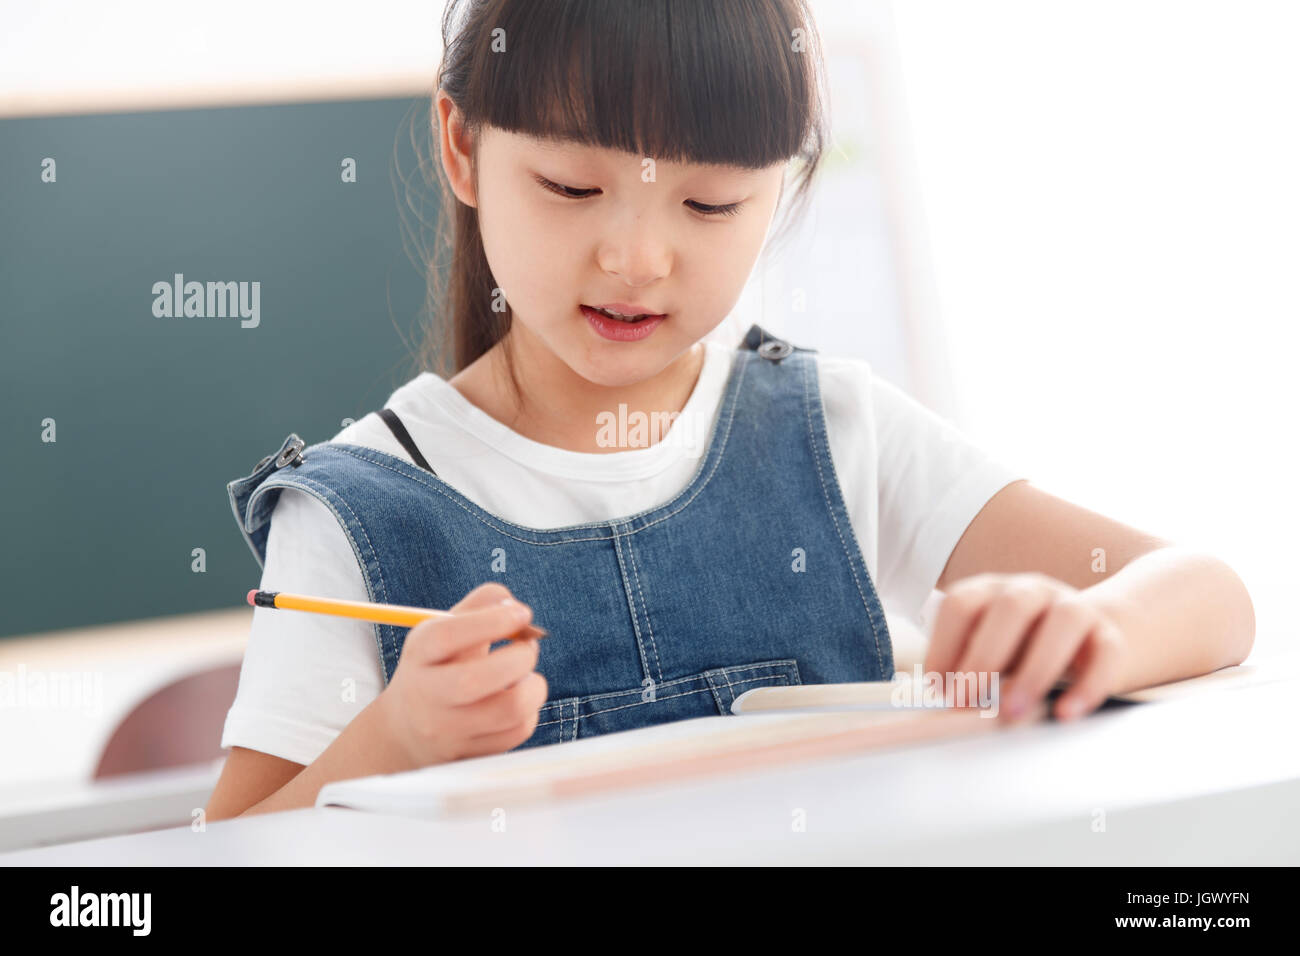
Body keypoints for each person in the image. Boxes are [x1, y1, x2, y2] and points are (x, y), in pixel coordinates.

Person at [205, 0, 1254, 820]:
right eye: (572, 187)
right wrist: (392, 741)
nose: (636, 258)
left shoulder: (833, 426)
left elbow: (1211, 598)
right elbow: (223, 850)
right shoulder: (354, 511)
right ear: (461, 147)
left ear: (781, 189)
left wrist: (1090, 628)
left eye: (708, 204)